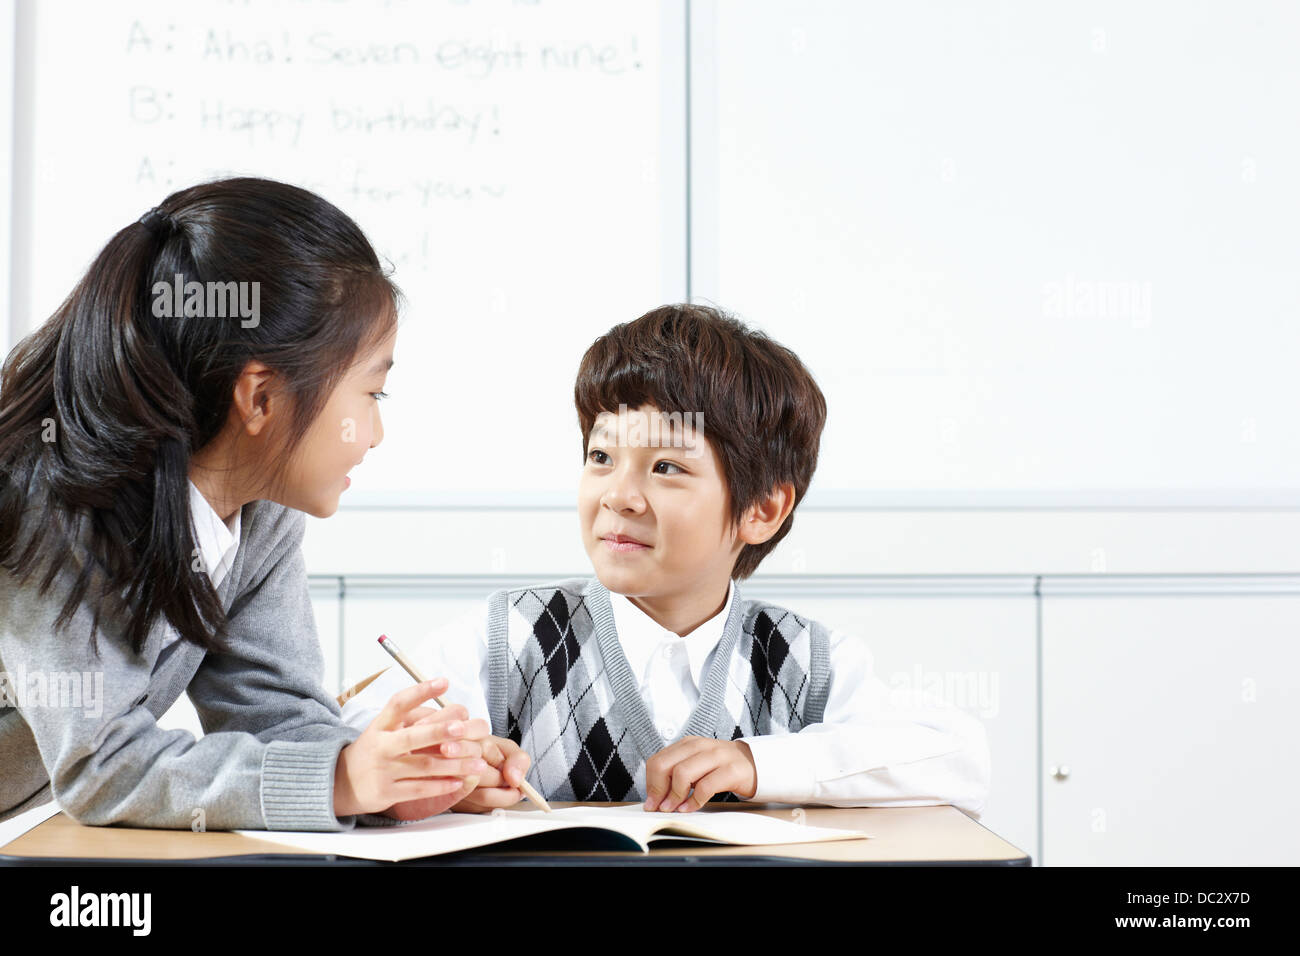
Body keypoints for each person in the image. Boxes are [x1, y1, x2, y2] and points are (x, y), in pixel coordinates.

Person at [340, 303, 991, 816]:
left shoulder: (802, 661)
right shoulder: (512, 636)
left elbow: (959, 755)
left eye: (666, 467)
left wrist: (756, 764)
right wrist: (441, 768)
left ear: (762, 509)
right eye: (602, 458)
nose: (619, 496)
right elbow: (356, 735)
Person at [0, 177, 499, 830]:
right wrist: (341, 780)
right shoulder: (55, 499)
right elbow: (104, 765)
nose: (376, 434)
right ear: (261, 398)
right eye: (372, 395)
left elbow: (271, 711)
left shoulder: (260, 507)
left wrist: (388, 771)